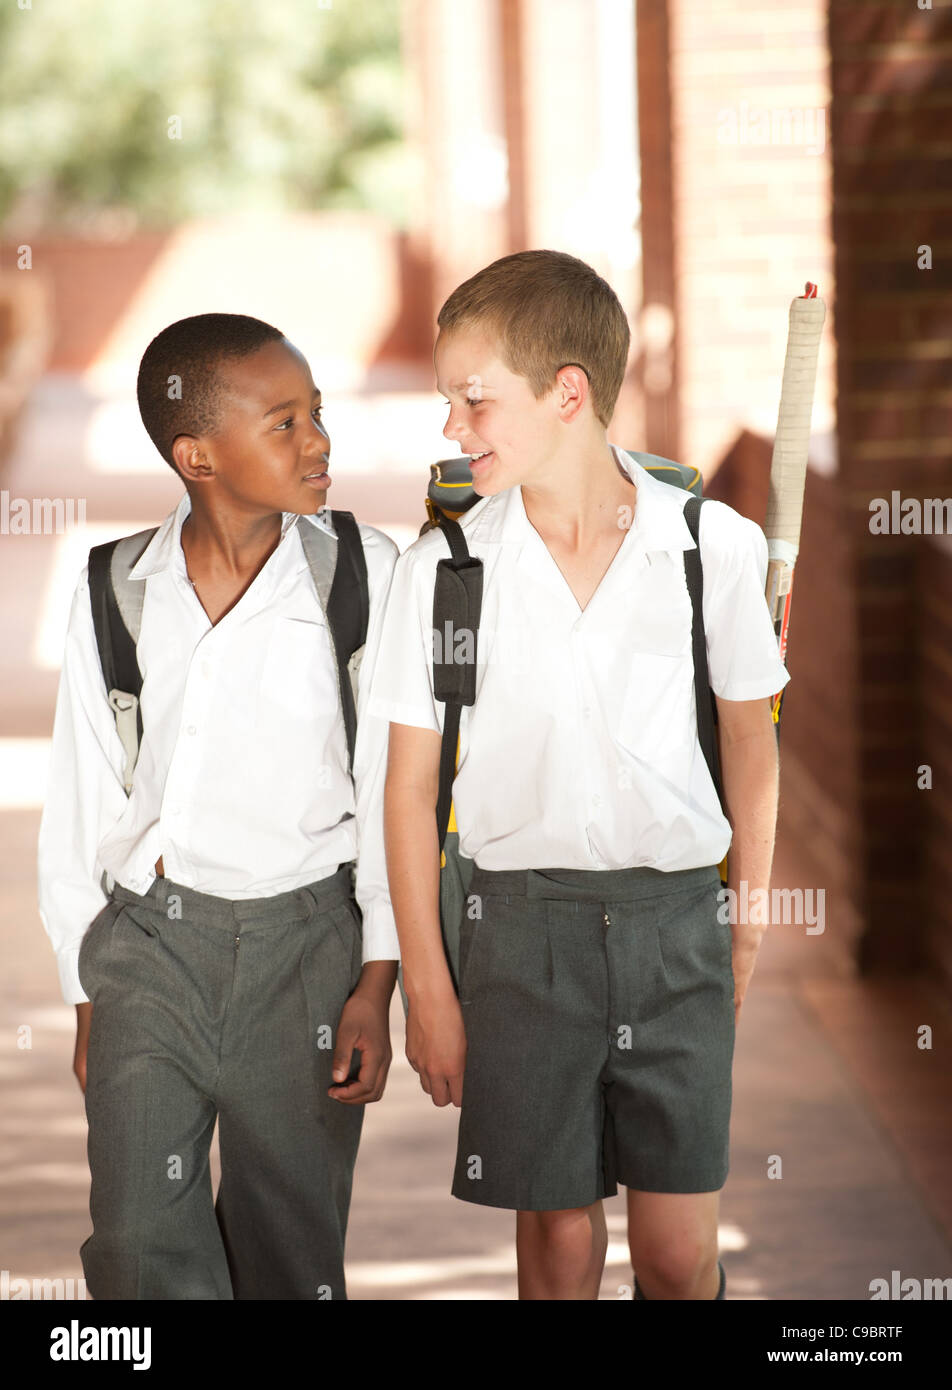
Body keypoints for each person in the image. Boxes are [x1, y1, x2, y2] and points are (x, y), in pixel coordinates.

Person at [367, 250, 789, 1300]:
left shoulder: (710, 551)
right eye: (447, 404)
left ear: (568, 393)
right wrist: (428, 985)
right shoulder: (446, 573)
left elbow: (750, 744)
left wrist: (745, 920)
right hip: (517, 937)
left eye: (473, 400)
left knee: (678, 1256)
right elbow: (408, 794)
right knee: (556, 1250)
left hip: (675, 926)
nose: (453, 432)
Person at [37, 312, 400, 1300]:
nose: (318, 440)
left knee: (289, 1242)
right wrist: (85, 990)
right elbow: (82, 799)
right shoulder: (116, 587)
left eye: (316, 414)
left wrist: (377, 978)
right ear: (196, 455)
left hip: (309, 949)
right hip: (149, 950)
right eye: (283, 423)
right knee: (136, 1245)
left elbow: (393, 796)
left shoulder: (365, 578)